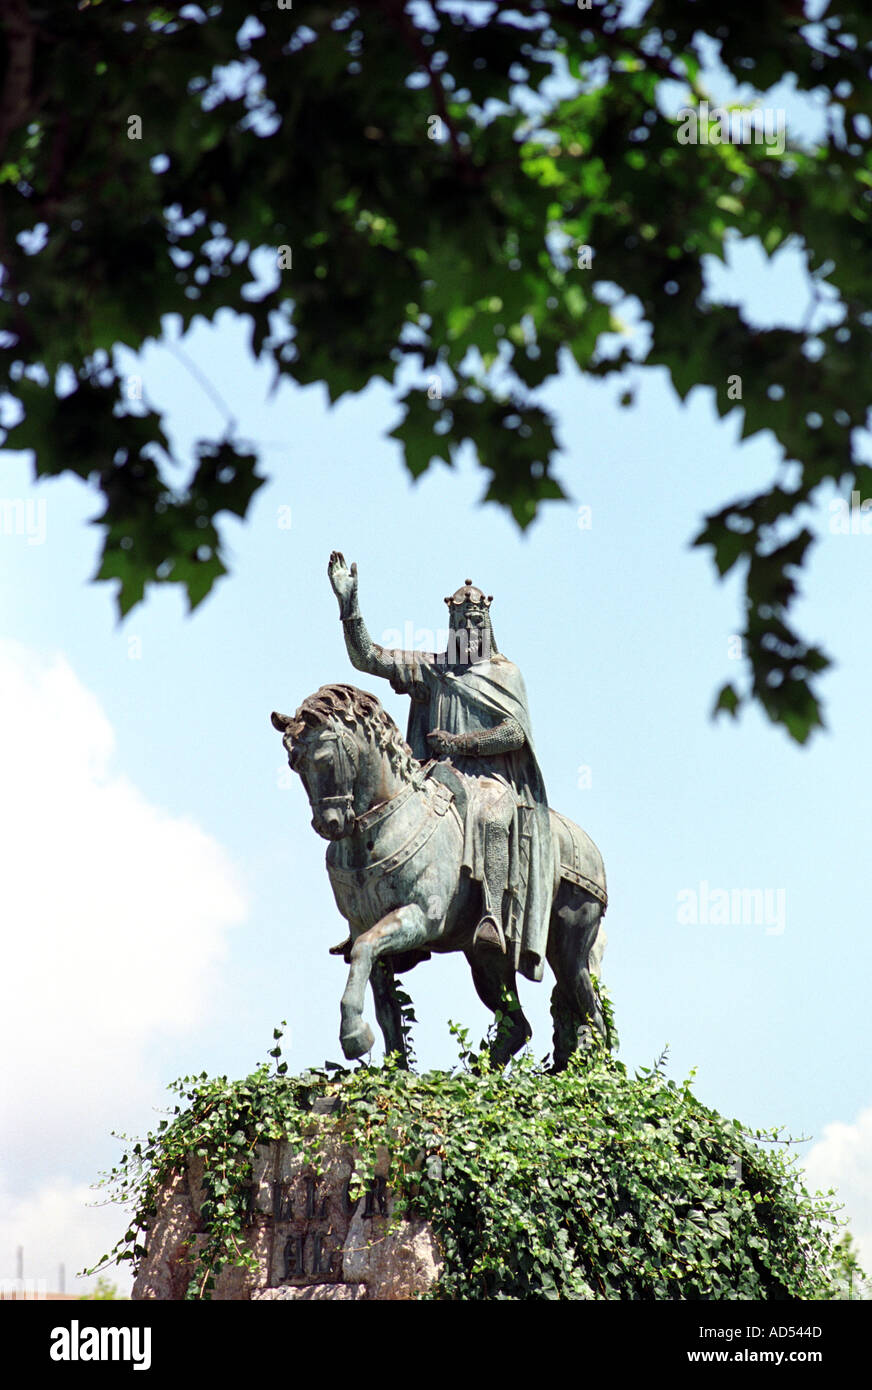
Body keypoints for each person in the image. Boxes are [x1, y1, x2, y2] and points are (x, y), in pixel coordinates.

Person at [327, 551, 553, 982]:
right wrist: (349, 607)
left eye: (477, 622)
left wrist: (462, 742)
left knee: (490, 812)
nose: (470, 629)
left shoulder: (504, 673)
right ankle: (374, 916)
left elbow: (514, 734)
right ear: (451, 625)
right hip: (434, 774)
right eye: (462, 622)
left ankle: (489, 915)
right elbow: (368, 658)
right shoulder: (432, 669)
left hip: (488, 778)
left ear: (487, 624)